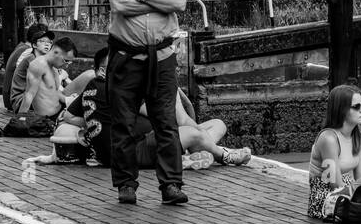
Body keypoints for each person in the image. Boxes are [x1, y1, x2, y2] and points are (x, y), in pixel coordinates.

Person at [106, 0, 188, 206]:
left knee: (166, 122)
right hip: (126, 56)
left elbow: (179, 2)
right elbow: (118, 5)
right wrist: (158, 2)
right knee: (123, 123)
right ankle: (126, 185)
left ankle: (171, 186)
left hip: (162, 57)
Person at [61, 48, 250, 171]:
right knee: (195, 134)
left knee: (215, 124)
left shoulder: (92, 86)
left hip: (130, 146)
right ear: (104, 71)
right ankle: (224, 155)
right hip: (135, 150)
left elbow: (68, 115)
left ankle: (195, 153)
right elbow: (159, 117)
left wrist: (95, 123)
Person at [308, 85, 361, 220]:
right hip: (326, 197)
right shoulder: (328, 139)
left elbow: (360, 176)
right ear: (342, 110)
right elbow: (334, 183)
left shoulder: (359, 137)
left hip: (347, 190)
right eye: (357, 106)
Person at [18, 36, 79, 117]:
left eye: (69, 63)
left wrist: (67, 99)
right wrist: (20, 119)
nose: (66, 66)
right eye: (66, 61)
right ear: (56, 52)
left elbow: (53, 92)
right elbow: (29, 94)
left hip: (60, 109)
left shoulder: (54, 67)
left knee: (89, 78)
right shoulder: (39, 64)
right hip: (48, 118)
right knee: (90, 74)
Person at [5, 23, 53, 112]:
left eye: (49, 42)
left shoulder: (22, 47)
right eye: (43, 40)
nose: (47, 44)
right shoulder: (28, 53)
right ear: (34, 42)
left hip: (13, 97)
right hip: (18, 100)